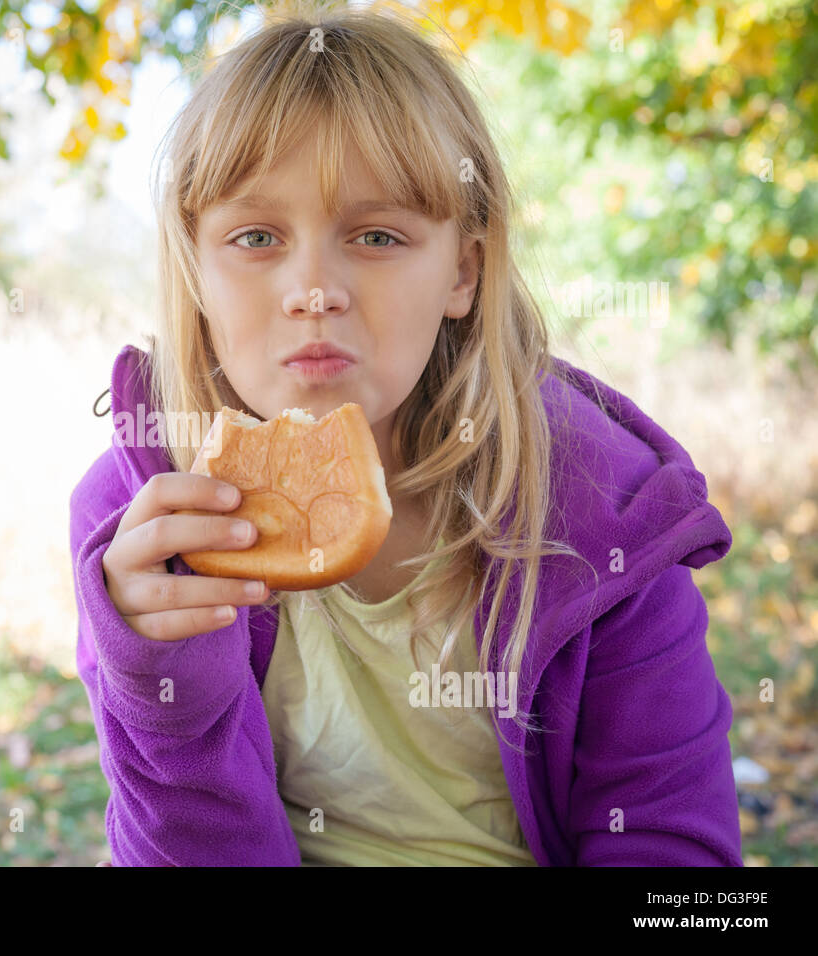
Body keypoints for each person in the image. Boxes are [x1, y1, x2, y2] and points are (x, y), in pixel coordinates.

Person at [69, 0, 740, 866]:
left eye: (377, 235)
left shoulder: (603, 516)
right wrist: (160, 687)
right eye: (256, 236)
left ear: (463, 269)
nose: (314, 288)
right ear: (196, 270)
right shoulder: (140, 531)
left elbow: (677, 863)